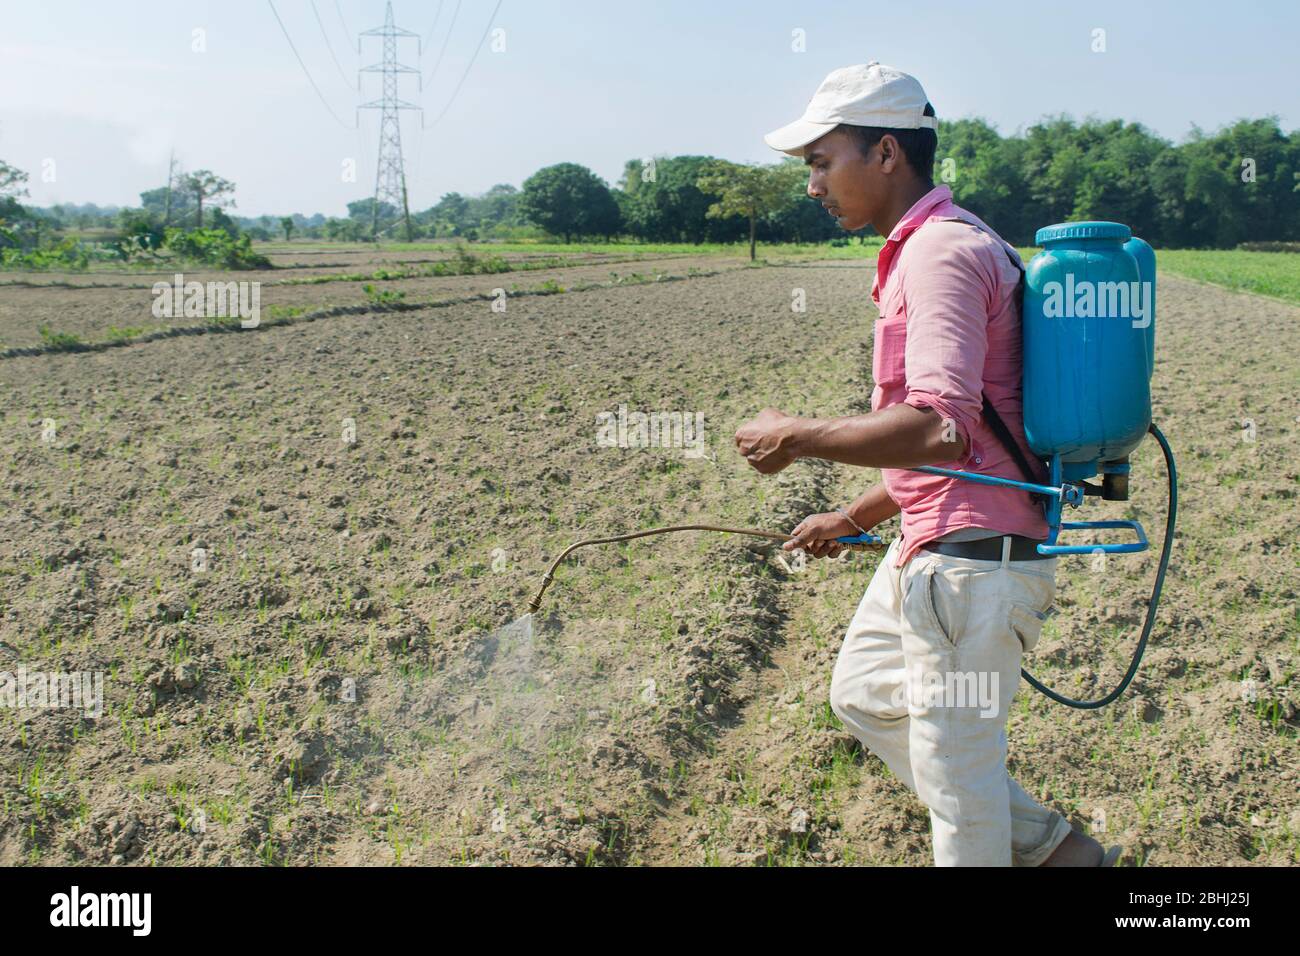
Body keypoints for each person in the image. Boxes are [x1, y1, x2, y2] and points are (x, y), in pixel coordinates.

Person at [734, 61, 1119, 867]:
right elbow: (966, 441)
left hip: (969, 567)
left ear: (883, 153)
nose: (812, 185)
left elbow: (939, 429)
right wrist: (852, 516)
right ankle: (1059, 854)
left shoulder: (939, 253)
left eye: (819, 161)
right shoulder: (944, 241)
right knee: (866, 695)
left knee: (958, 782)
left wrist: (796, 435)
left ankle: (1050, 855)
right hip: (939, 541)